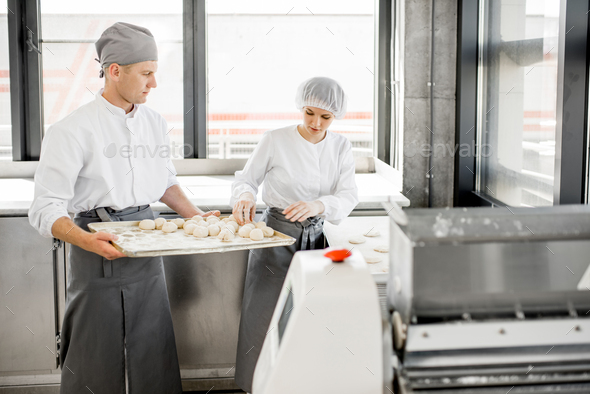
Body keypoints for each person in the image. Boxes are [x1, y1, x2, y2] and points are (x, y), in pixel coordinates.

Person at [28, 22, 219, 394]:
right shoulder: (71, 130)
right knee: (94, 348)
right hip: (96, 242)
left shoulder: (154, 123)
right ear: (115, 71)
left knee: (153, 343)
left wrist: (195, 216)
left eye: (155, 73)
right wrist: (85, 241)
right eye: (147, 73)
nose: (154, 83)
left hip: (147, 244)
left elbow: (164, 182)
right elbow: (45, 208)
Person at [231, 76, 359, 392]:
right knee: (263, 316)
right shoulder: (275, 140)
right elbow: (245, 180)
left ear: (336, 116)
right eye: (309, 113)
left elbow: (349, 195)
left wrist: (319, 204)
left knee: (311, 318)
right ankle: (254, 388)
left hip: (317, 242)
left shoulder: (341, 146)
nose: (316, 122)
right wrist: (245, 196)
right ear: (300, 107)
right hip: (274, 237)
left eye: (325, 117)